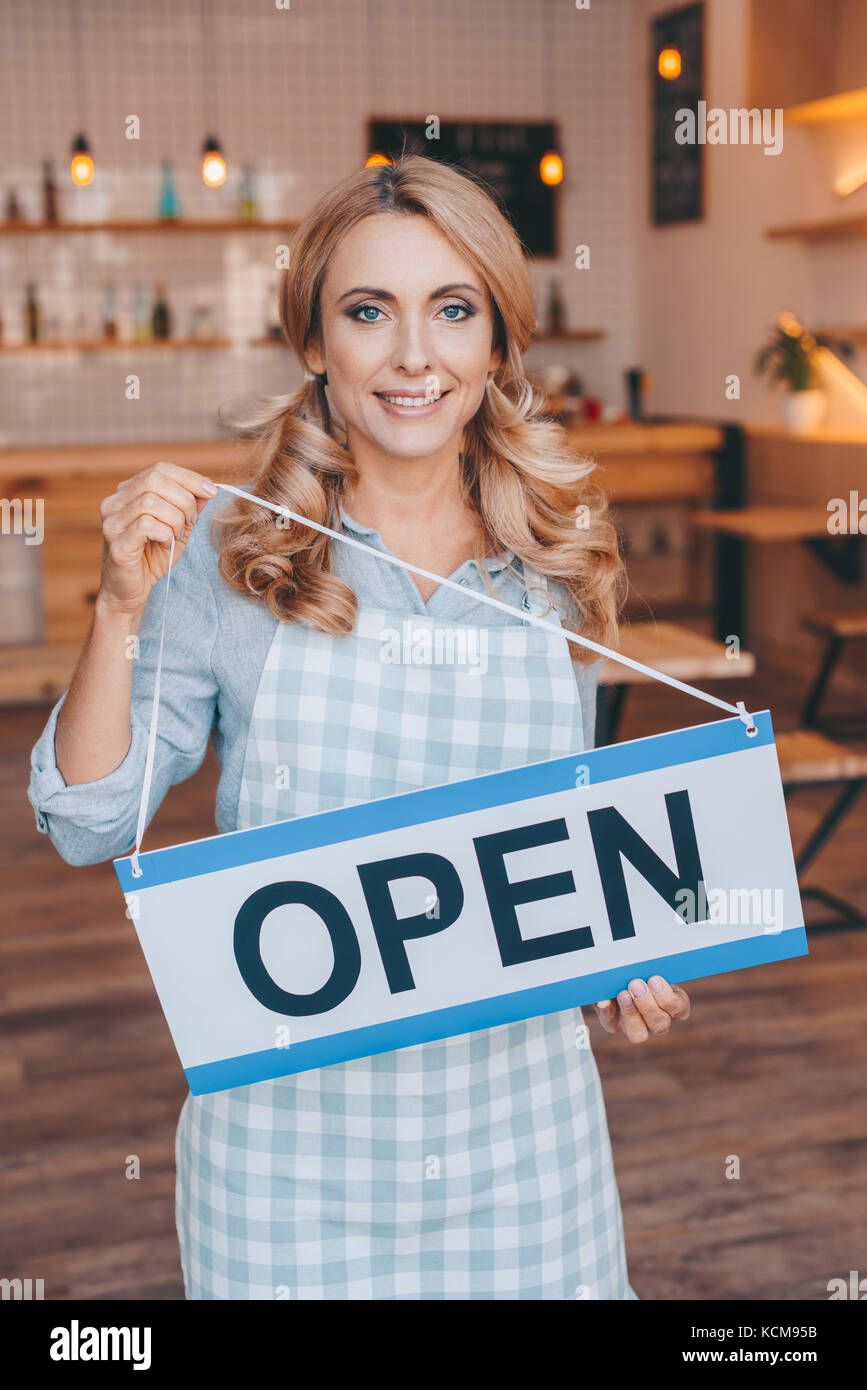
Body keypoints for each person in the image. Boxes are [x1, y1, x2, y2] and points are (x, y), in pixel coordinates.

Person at [28, 154, 691, 1300]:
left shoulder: (555, 564)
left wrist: (620, 963)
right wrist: (121, 608)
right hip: (286, 1170)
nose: (414, 356)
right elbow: (88, 821)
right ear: (315, 344)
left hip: (525, 1152)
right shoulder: (233, 557)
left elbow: (553, 851)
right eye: (369, 311)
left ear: (496, 344)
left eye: (453, 309)